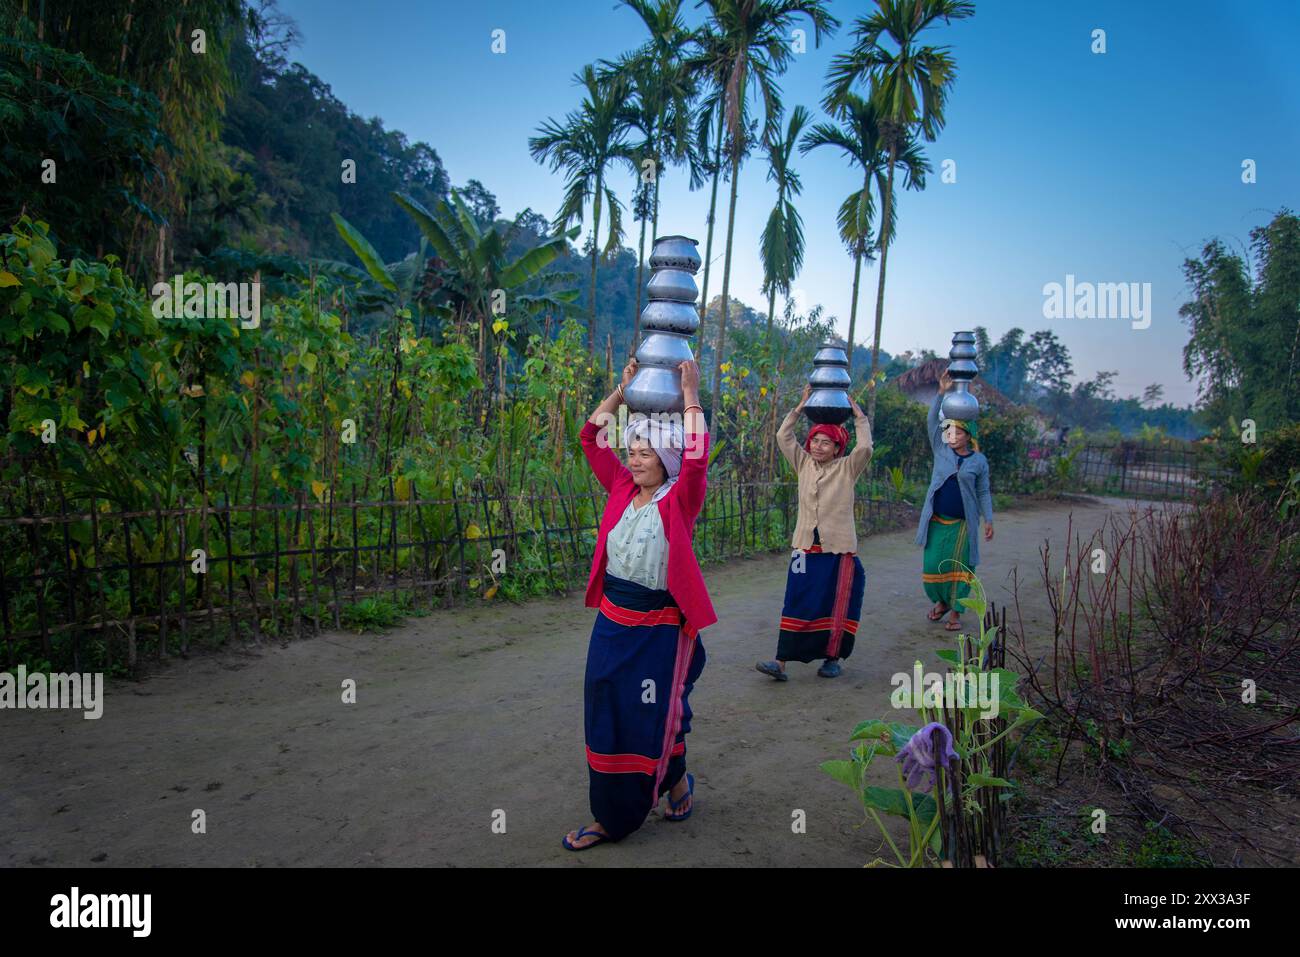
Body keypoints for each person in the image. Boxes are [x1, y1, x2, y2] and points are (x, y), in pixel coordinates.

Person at [562, 357, 716, 851]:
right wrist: (621, 395)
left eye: (646, 453)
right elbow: (589, 437)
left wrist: (690, 396)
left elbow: (697, 458)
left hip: (658, 629)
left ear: (665, 461)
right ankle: (675, 782)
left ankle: (616, 818)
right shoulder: (621, 488)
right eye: (632, 450)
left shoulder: (679, 500)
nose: (634, 460)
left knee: (649, 713)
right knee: (606, 707)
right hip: (612, 621)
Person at [756, 383, 871, 681]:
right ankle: (780, 662)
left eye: (825, 443)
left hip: (838, 551)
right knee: (795, 598)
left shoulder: (848, 468)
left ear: (837, 448)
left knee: (835, 602)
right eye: (815, 440)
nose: (818, 446)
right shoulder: (803, 463)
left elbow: (866, 448)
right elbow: (784, 436)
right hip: (804, 549)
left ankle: (832, 659)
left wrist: (859, 417)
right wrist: (800, 405)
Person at [917, 372, 994, 631]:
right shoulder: (941, 450)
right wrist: (941, 393)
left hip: (963, 525)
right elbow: (930, 421)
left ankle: (955, 613)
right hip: (937, 522)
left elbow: (983, 492)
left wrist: (989, 520)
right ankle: (941, 602)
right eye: (948, 431)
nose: (950, 435)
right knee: (933, 567)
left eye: (956, 432)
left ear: (967, 435)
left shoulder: (978, 461)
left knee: (961, 570)